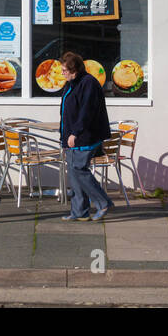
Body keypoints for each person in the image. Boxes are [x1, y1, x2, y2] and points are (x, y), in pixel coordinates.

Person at [58, 51, 113, 222]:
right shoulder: (71, 83)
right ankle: (79, 211)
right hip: (70, 136)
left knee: (79, 169)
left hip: (85, 136)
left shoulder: (88, 83)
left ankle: (103, 202)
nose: (62, 73)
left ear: (74, 70)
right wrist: (66, 135)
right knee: (74, 174)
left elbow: (86, 112)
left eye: (64, 70)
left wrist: (76, 132)